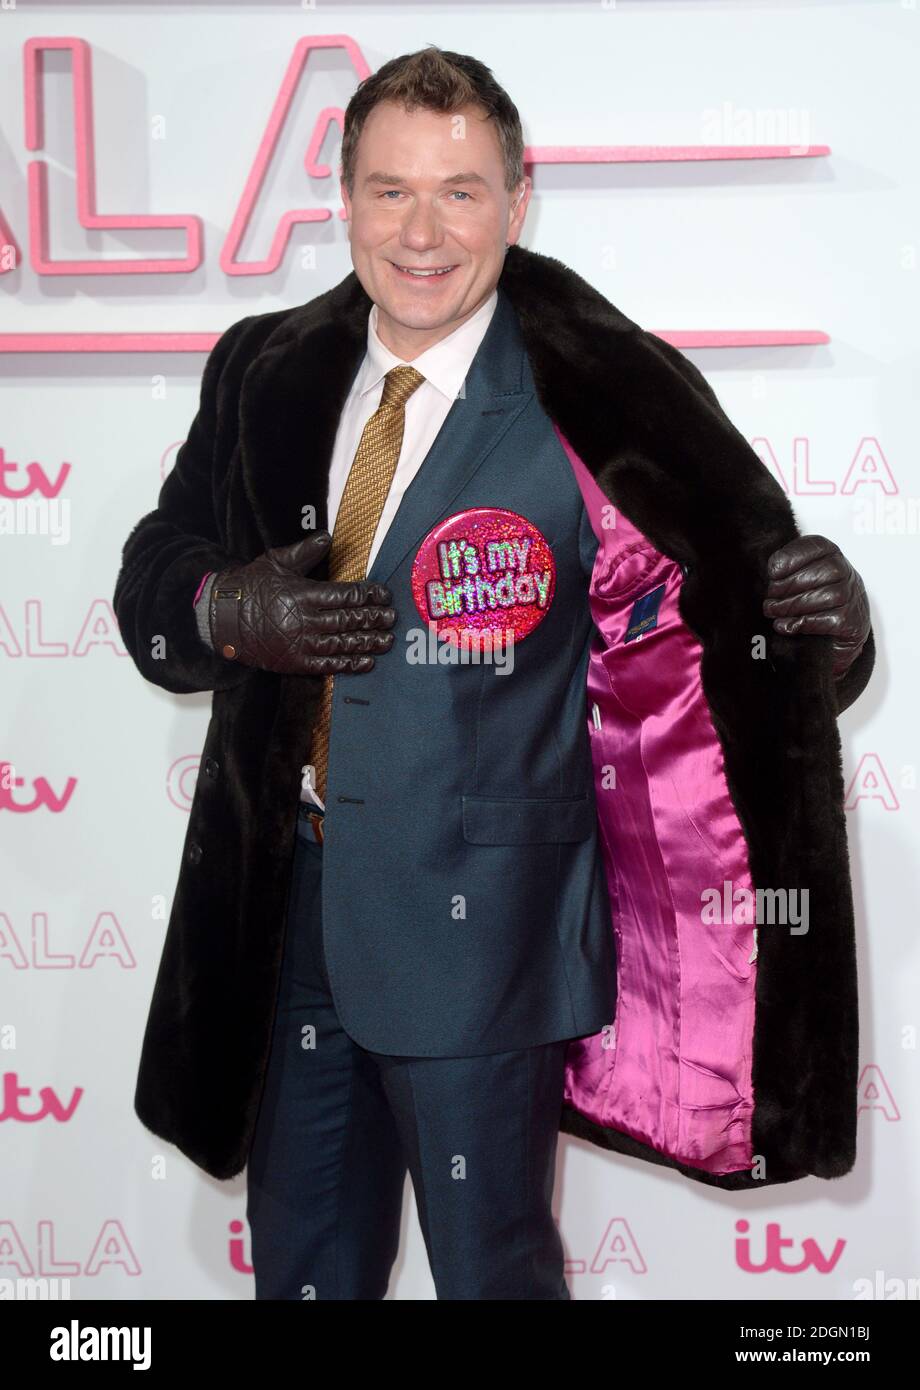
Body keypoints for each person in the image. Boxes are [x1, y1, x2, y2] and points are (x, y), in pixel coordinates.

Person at [114, 46, 874, 1300]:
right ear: (342, 198)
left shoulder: (606, 394)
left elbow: (727, 639)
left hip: (487, 941)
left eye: (459, 192)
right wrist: (221, 608)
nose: (421, 232)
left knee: (491, 1277)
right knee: (301, 1271)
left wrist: (821, 638)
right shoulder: (265, 369)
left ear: (515, 203)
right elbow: (159, 565)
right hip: (283, 913)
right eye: (389, 190)